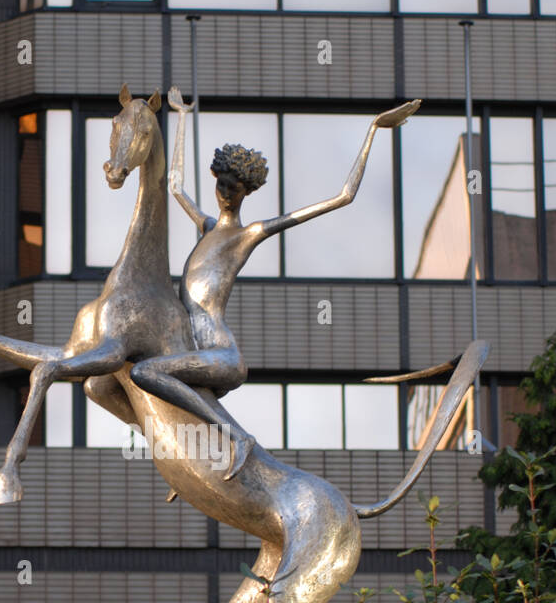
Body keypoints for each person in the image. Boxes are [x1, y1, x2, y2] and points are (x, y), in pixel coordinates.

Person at [129, 87, 421, 478]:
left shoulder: (248, 234)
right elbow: (176, 187)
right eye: (221, 185)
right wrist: (181, 116)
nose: (226, 194)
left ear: (246, 191)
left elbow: (342, 197)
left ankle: (237, 438)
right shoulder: (208, 226)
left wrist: (373, 129)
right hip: (192, 347)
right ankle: (188, 461)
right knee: (148, 374)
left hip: (220, 354)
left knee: (146, 373)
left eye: (235, 189)